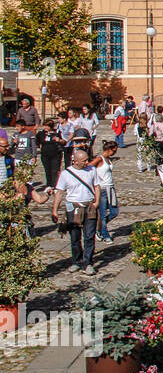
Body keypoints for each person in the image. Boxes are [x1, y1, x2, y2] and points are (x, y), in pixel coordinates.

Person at [51, 147, 101, 275]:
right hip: (73, 207)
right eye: (84, 160)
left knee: (89, 236)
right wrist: (55, 210)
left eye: (87, 160)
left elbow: (97, 186)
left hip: (89, 206)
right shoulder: (66, 174)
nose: (87, 162)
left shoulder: (92, 170)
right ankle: (77, 261)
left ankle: (88, 262)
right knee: (75, 237)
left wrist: (96, 202)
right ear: (76, 161)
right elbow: (59, 192)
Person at [90, 141, 120, 243]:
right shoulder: (99, 159)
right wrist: (97, 179)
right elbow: (88, 168)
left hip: (110, 187)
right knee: (102, 214)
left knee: (114, 212)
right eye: (114, 150)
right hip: (102, 189)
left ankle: (98, 227)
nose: (115, 153)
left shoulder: (108, 159)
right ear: (109, 149)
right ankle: (105, 234)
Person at [37, 118, 64, 188]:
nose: (45, 127)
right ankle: (49, 184)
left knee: (54, 170)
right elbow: (37, 141)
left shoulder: (57, 133)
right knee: (47, 170)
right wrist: (40, 146)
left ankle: (54, 185)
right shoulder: (41, 133)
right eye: (44, 126)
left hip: (55, 155)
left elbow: (63, 142)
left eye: (47, 126)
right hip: (45, 155)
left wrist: (59, 140)